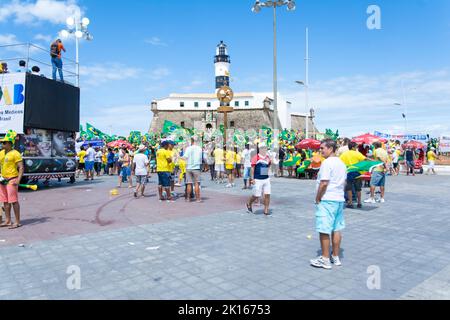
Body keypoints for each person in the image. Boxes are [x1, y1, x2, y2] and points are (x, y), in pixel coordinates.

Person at [310, 139, 347, 270]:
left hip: (327, 199)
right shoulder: (341, 163)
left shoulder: (327, 163)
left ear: (330, 149)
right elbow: (344, 183)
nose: (320, 150)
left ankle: (325, 259)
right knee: (336, 229)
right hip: (338, 199)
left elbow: (324, 183)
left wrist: (318, 197)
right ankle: (335, 256)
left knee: (324, 229)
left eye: (322, 148)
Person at [0, 130, 24, 229]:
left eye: (4, 142)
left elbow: (21, 167)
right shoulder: (1, 153)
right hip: (2, 180)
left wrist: (18, 180)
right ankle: (8, 221)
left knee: (13, 201)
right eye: (2, 142)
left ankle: (17, 222)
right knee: (5, 201)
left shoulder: (15, 153)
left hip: (12, 180)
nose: (2, 144)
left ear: (10, 143)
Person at [246, 144, 272, 216]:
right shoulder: (256, 157)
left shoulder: (267, 157)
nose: (264, 149)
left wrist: (267, 172)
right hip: (257, 179)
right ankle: (249, 203)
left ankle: (266, 210)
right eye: (262, 148)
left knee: (267, 195)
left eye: (265, 148)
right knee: (256, 195)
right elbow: (252, 168)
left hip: (266, 179)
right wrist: (252, 178)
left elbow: (269, 165)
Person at [340, 142, 366, 209]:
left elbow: (340, 161)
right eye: (356, 147)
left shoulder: (344, 154)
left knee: (349, 188)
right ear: (353, 147)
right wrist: (374, 161)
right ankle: (359, 203)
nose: (357, 148)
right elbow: (365, 159)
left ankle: (350, 203)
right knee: (358, 189)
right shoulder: (357, 153)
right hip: (357, 173)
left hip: (348, 173)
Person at [183, 138, 203, 203]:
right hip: (196, 167)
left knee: (189, 183)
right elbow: (201, 158)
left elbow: (185, 157)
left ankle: (188, 198)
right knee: (197, 183)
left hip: (189, 167)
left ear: (192, 142)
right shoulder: (200, 149)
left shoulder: (188, 148)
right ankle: (198, 198)